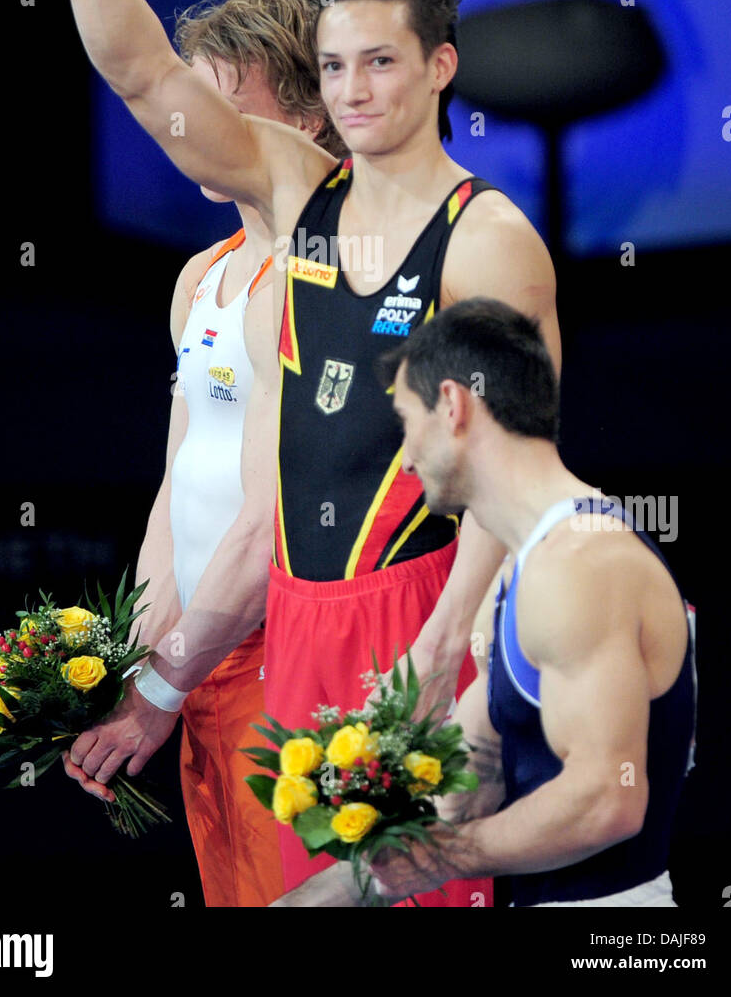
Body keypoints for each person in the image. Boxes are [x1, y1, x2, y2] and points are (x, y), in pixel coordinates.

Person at [35, 0, 560, 906]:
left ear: (438, 66)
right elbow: (141, 76)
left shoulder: (487, 239)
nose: (355, 89)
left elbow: (520, 490)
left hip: (411, 610)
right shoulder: (295, 190)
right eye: (335, 66)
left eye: (381, 62)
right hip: (294, 618)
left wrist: (441, 647)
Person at [61, 0, 345, 907]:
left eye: (226, 103)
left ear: (304, 122)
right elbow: (179, 497)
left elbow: (271, 524)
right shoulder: (201, 278)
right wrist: (130, 664)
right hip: (206, 667)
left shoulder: (327, 278)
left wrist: (158, 694)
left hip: (295, 670)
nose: (194, 124)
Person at [277, 298, 695, 906]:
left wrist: (438, 861)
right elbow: (462, 791)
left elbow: (609, 799)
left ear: (453, 404)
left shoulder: (584, 564)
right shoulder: (523, 571)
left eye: (405, 421)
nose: (406, 456)